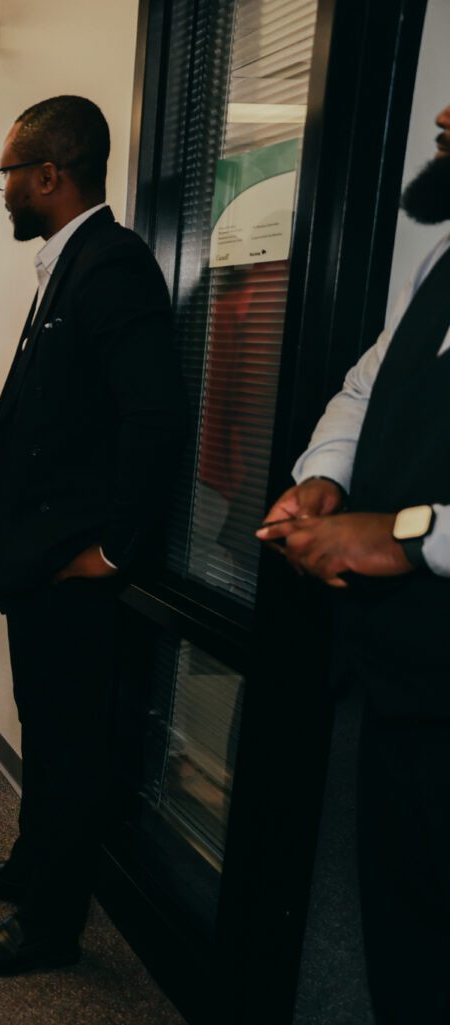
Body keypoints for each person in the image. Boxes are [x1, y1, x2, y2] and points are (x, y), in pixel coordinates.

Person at [0, 96, 185, 975]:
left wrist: (114, 549)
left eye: (7, 173)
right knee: (44, 730)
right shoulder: (68, 260)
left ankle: (49, 926)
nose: (3, 189)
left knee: (73, 747)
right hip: (41, 564)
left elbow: (155, 419)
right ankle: (30, 864)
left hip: (77, 569)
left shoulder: (111, 264)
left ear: (48, 174)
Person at [255, 98, 450, 1024]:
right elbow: (367, 386)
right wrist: (324, 477)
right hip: (405, 682)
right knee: (403, 941)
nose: (444, 113)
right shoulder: (438, 258)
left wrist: (409, 533)